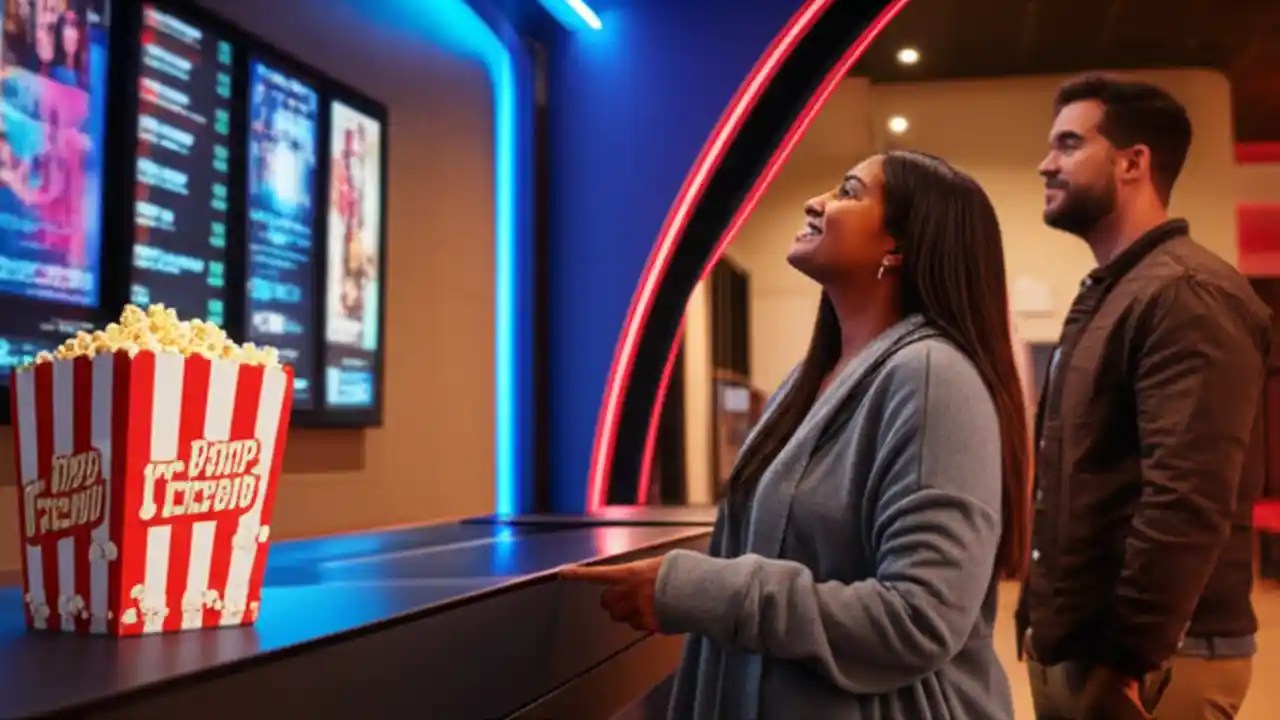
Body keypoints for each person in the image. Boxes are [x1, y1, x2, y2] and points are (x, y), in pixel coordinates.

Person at [562, 150, 1030, 719]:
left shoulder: (932, 377)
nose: (816, 202)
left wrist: (700, 590)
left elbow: (918, 618)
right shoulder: (808, 381)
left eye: (849, 192)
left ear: (900, 246)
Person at [1017, 74, 1272, 720]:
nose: (1047, 163)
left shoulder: (1186, 294)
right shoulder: (1111, 291)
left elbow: (1186, 498)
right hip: (1089, 654)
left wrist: (1127, 664)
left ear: (1134, 162)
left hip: (1154, 670)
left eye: (1070, 145)